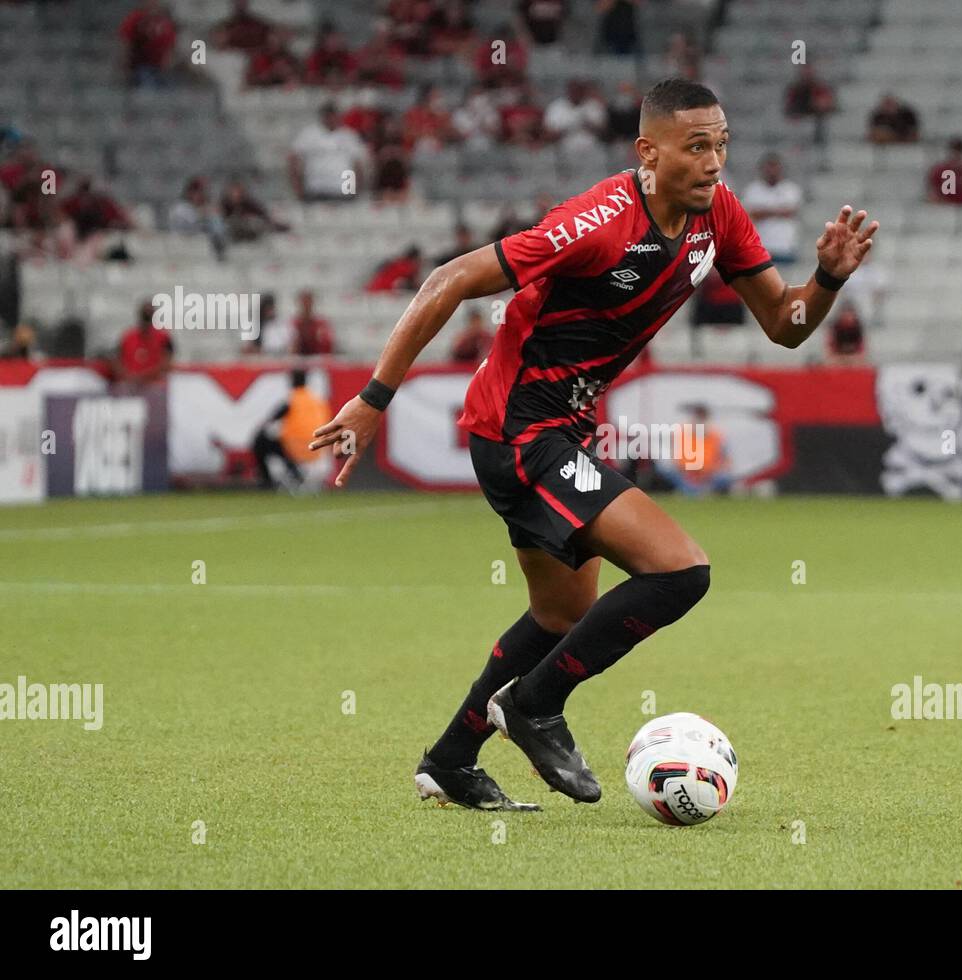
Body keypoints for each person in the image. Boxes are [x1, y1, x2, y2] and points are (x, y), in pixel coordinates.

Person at [309, 78, 879, 811]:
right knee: (680, 571)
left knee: (561, 615)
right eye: (696, 146)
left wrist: (827, 278)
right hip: (519, 429)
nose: (714, 162)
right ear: (649, 151)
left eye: (722, 144)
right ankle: (536, 706)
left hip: (557, 429)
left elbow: (787, 323)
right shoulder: (597, 222)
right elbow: (451, 278)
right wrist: (372, 399)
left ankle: (451, 760)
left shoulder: (719, 215)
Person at [252, 369, 333, 490]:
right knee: (276, 444)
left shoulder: (292, 400)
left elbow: (272, 419)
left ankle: (270, 480)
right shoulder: (317, 401)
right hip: (318, 449)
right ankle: (294, 472)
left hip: (295, 447)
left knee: (261, 441)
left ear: (291, 382)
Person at [741, 153, 802, 265]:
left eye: (775, 167)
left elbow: (790, 212)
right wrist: (778, 210)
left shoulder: (791, 189)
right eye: (769, 167)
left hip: (785, 247)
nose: (772, 171)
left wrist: (763, 211)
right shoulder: (752, 190)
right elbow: (750, 215)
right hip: (761, 247)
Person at [116, 299, 173, 386]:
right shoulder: (127, 337)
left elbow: (166, 363)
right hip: (131, 383)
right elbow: (118, 362)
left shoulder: (163, 337)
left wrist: (142, 377)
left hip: (154, 384)